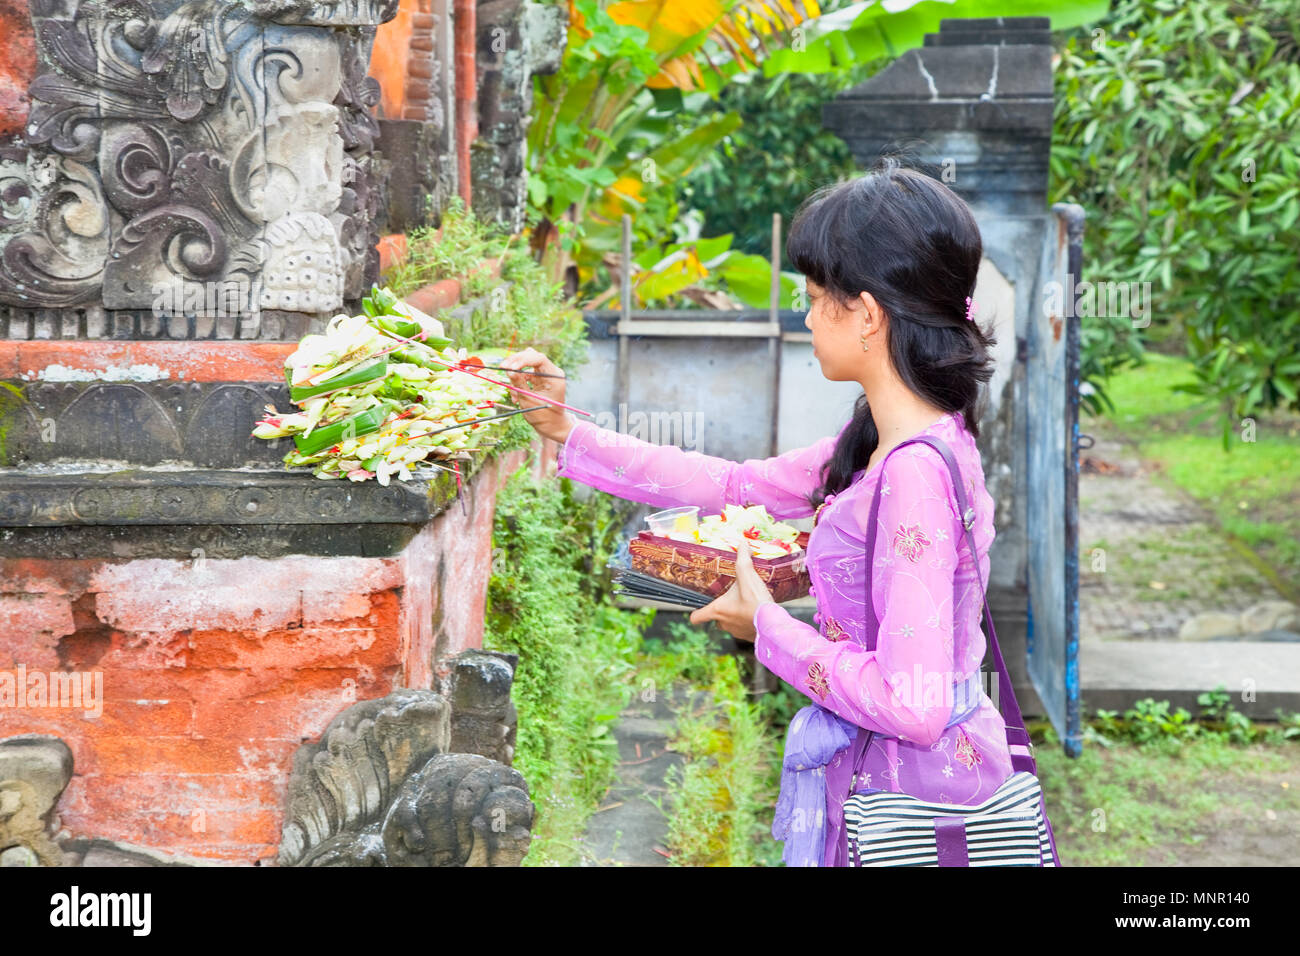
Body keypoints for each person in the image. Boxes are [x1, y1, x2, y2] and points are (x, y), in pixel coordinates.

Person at [497, 158, 1011, 866]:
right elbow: (732, 484)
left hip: (904, 808)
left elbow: (913, 704)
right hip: (886, 782)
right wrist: (566, 430)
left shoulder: (913, 473)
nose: (804, 316)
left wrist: (765, 625)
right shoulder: (895, 441)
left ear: (865, 314)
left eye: (811, 296)